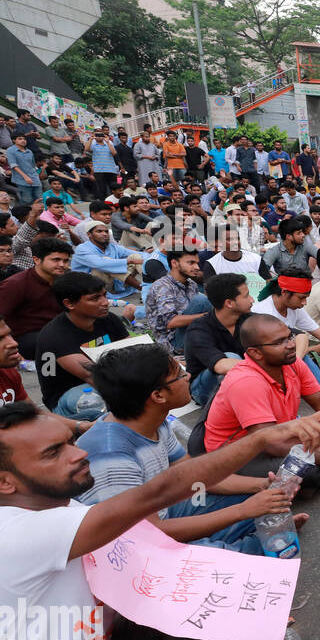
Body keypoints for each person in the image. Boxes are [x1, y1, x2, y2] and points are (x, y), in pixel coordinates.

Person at [0, 399, 320, 640]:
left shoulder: (57, 503)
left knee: (214, 586)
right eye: (54, 453)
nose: (79, 453)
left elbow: (150, 543)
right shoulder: (15, 533)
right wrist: (260, 440)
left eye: (70, 441)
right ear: (6, 482)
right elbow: (159, 493)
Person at [77, 344, 296, 554]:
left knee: (266, 502)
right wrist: (242, 512)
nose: (188, 376)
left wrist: (262, 486)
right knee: (230, 545)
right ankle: (257, 544)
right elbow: (145, 535)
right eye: (180, 374)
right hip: (130, 542)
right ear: (158, 396)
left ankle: (262, 538)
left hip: (162, 512)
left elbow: (193, 477)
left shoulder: (152, 420)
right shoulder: (112, 457)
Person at [201, 314, 320, 481]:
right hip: (242, 455)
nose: (291, 344)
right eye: (279, 342)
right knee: (306, 471)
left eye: (289, 337)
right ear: (255, 353)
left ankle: (319, 463)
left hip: (282, 436)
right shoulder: (245, 382)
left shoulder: (292, 363)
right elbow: (270, 444)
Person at [35, 272, 131, 419]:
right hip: (70, 394)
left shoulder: (108, 319)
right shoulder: (55, 335)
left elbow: (134, 351)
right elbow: (94, 376)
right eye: (95, 298)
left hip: (110, 377)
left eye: (104, 295)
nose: (105, 302)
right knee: (100, 402)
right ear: (69, 304)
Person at [185, 273, 253, 406]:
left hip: (242, 380)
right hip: (204, 390)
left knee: (286, 347)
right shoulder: (199, 328)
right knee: (229, 357)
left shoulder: (249, 319)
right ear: (229, 303)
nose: (252, 300)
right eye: (246, 296)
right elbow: (221, 366)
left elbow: (298, 335)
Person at [0, 237, 71, 359]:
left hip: (60, 330)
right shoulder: (16, 284)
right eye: (56, 260)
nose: (62, 265)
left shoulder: (67, 281)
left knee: (105, 330)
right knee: (63, 342)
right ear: (37, 260)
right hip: (27, 338)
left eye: (65, 261)